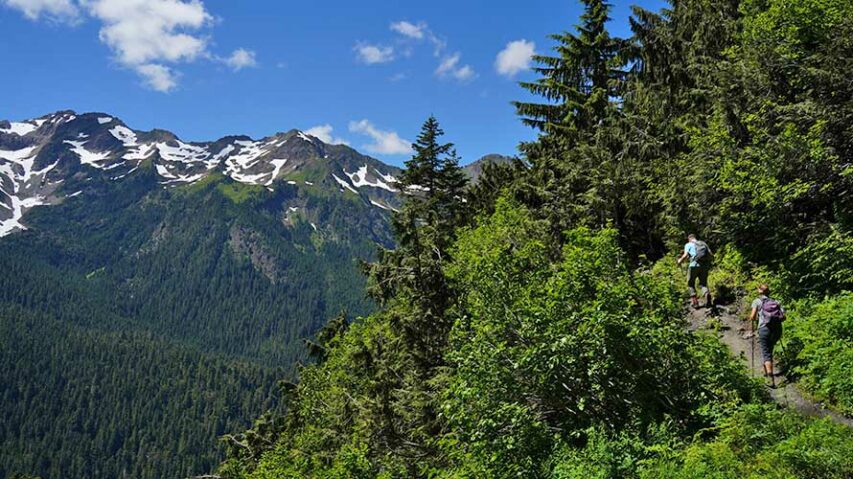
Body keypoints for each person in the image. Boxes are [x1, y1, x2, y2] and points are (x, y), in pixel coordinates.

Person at [748, 284, 785, 388]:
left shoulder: (757, 301)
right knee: (769, 349)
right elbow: (783, 316)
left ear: (760, 291)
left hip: (764, 329)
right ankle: (766, 369)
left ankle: (769, 377)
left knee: (766, 352)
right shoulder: (776, 302)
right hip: (777, 330)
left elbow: (753, 317)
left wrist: (752, 318)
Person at [677, 234, 712, 308]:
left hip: (693, 265)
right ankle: (706, 294)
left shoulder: (688, 244)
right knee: (703, 283)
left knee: (690, 283)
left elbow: (685, 255)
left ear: (689, 239)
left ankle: (695, 302)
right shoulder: (703, 243)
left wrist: (679, 261)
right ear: (695, 238)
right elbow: (711, 255)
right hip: (704, 266)